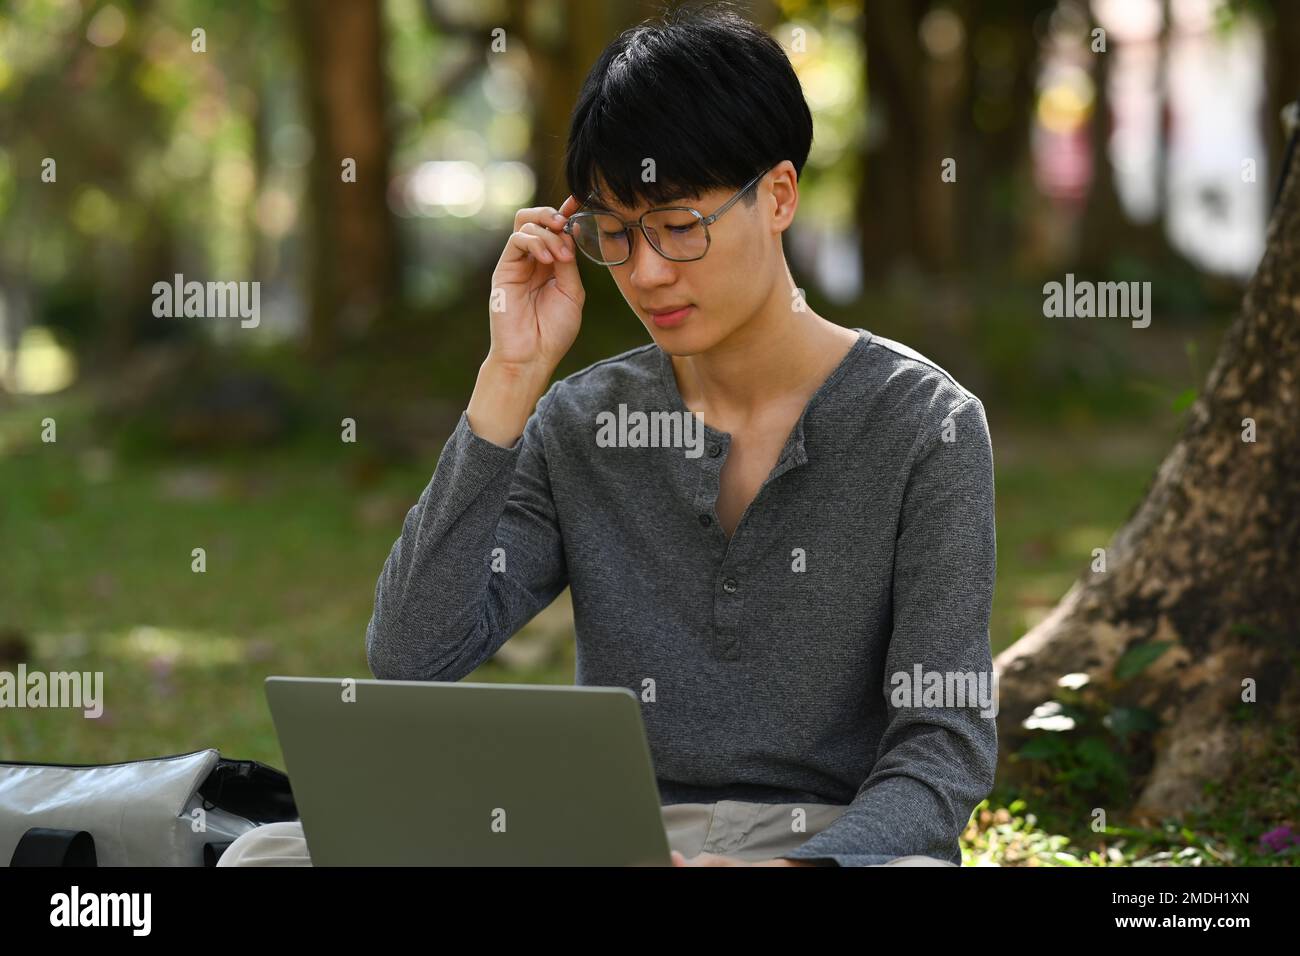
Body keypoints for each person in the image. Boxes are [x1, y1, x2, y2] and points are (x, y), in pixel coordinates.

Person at [221, 1, 995, 868]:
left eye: (678, 228)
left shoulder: (927, 424)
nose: (647, 273)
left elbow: (942, 748)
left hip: (823, 843)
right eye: (616, 236)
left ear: (777, 195)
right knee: (268, 860)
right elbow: (412, 655)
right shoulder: (583, 424)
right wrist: (509, 379)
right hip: (612, 836)